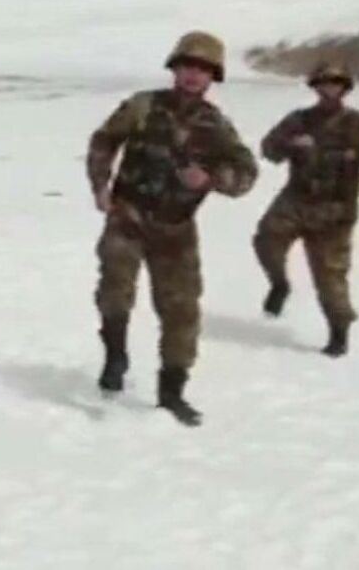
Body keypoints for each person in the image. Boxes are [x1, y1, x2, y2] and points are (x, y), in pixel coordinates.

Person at [86, 30, 258, 425]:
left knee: (181, 313)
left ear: (213, 76)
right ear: (174, 69)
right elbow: (104, 140)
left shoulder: (216, 126)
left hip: (176, 229)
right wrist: (100, 185)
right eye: (187, 67)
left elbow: (246, 174)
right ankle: (115, 354)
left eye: (203, 69)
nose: (193, 76)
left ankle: (172, 391)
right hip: (128, 216)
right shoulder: (143, 107)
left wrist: (212, 178)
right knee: (115, 287)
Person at [254, 60, 359, 357]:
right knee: (266, 240)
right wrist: (291, 144)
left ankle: (339, 331)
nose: (329, 89)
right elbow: (269, 148)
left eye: (336, 84)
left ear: (344, 89)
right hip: (296, 200)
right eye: (324, 84)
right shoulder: (299, 120)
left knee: (330, 276)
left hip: (336, 211)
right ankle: (279, 284)